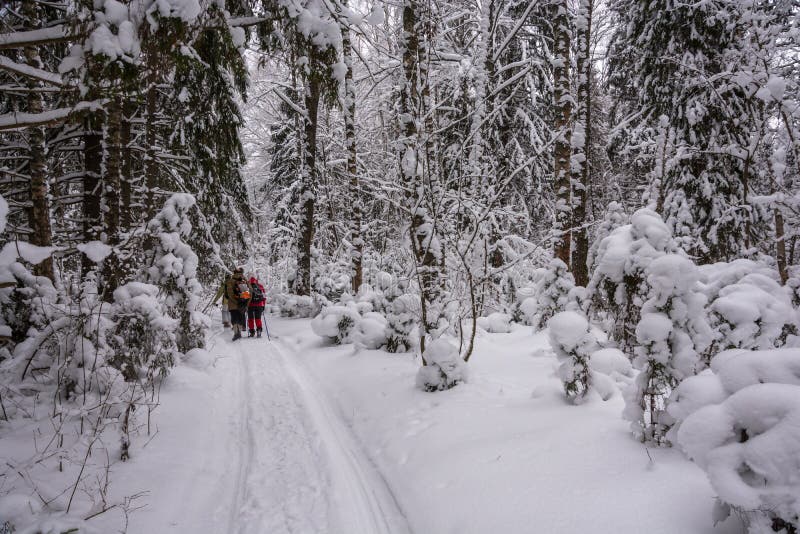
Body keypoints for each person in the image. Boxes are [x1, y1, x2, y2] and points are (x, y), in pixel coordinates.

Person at [225, 267, 250, 341]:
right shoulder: (244, 280)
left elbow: (229, 293)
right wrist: (245, 302)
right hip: (243, 303)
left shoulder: (230, 281)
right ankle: (239, 332)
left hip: (233, 304)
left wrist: (235, 301)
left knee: (234, 318)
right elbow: (249, 291)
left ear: (234, 273)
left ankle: (236, 333)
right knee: (240, 318)